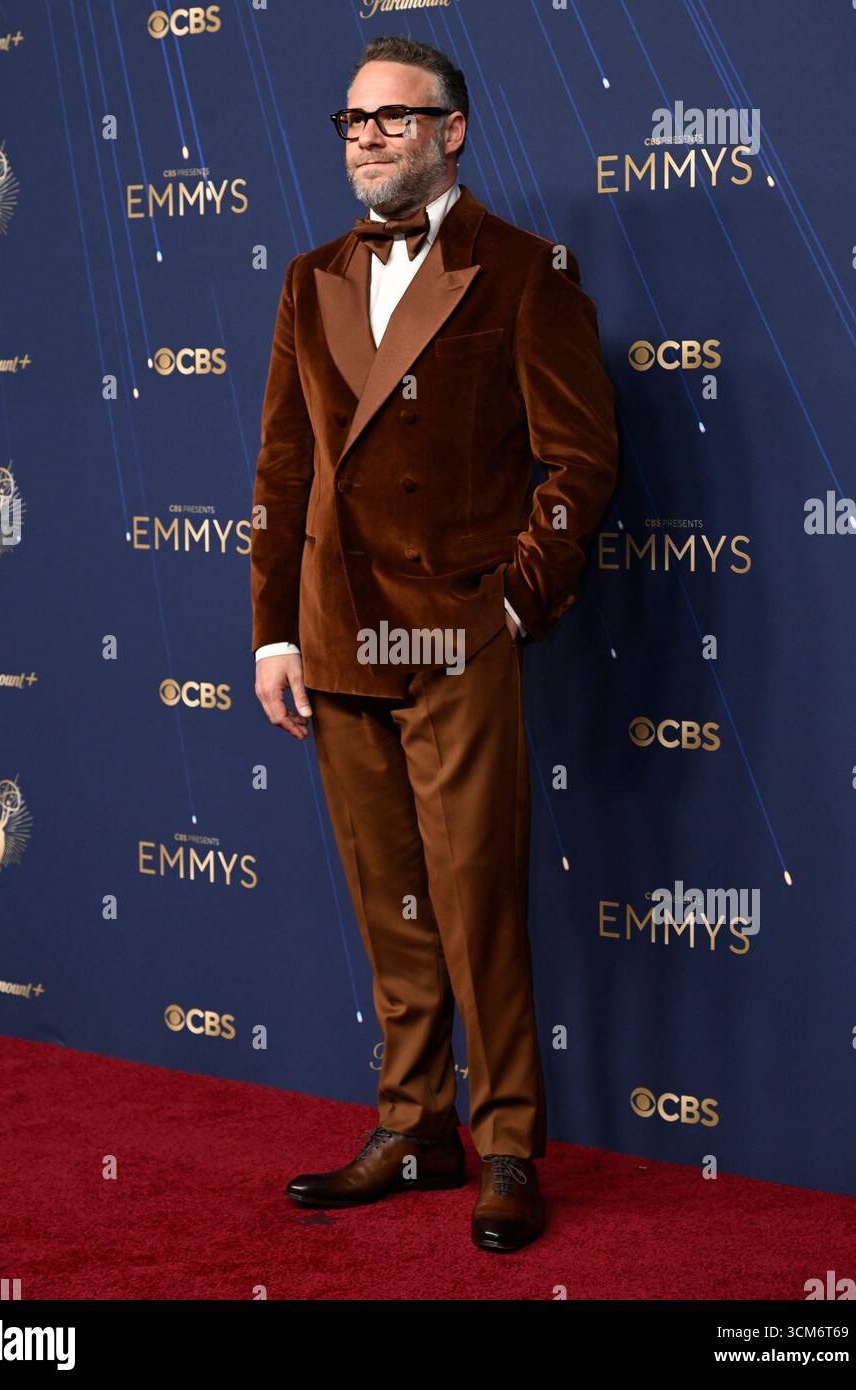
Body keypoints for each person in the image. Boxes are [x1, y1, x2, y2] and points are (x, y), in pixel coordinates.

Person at [251, 35, 618, 1252]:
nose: (368, 139)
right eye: (352, 121)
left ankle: (506, 1139)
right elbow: (284, 468)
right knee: (388, 907)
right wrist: (271, 634)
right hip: (335, 635)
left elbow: (578, 461)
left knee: (475, 903)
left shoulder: (523, 271)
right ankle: (412, 1127)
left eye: (393, 120)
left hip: (457, 639)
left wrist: (510, 605)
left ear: (452, 131)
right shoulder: (309, 279)